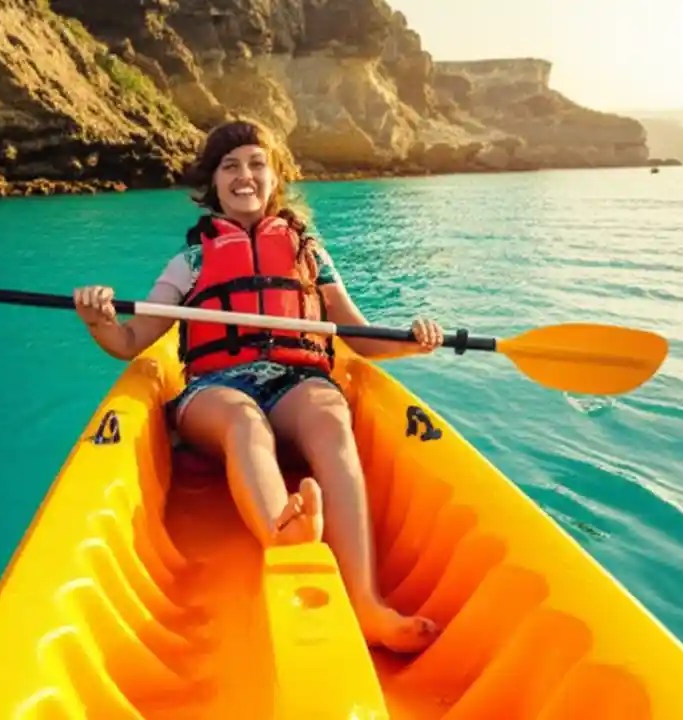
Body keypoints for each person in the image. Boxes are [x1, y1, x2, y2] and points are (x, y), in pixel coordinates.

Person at [71, 118, 442, 654]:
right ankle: (280, 530)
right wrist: (98, 320)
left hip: (297, 381)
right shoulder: (191, 260)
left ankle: (368, 605)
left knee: (331, 419)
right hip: (215, 391)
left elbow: (357, 335)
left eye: (256, 163)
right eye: (230, 167)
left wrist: (411, 341)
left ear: (276, 177)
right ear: (214, 184)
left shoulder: (308, 253)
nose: (244, 176)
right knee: (244, 420)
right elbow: (132, 340)